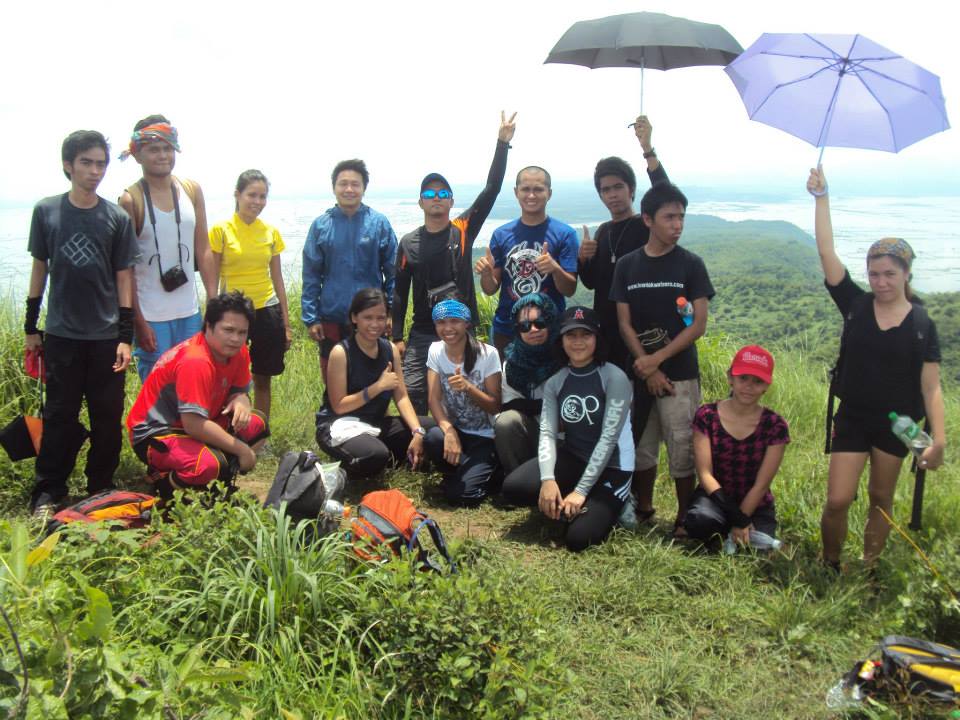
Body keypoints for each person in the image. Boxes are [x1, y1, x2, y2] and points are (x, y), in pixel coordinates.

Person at [808, 166, 946, 570]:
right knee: (837, 499)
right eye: (874, 273)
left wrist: (938, 439)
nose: (881, 281)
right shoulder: (855, 304)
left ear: (906, 274)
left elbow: (931, 387)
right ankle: (830, 563)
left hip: (898, 421)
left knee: (881, 499)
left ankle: (870, 566)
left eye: (890, 273)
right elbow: (826, 253)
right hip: (852, 416)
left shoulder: (922, 324)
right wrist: (822, 197)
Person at [25, 130, 139, 518]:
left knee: (107, 418)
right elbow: (40, 269)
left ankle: (100, 487)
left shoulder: (116, 218)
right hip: (60, 335)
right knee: (59, 415)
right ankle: (49, 490)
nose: (94, 171)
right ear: (68, 165)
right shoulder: (47, 212)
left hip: (106, 336)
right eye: (86, 163)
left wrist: (126, 337)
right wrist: (30, 326)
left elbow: (124, 277)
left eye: (100, 164)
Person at [393, 111, 517, 413]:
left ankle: (460, 444)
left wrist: (502, 143)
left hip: (462, 327)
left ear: (451, 201)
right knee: (415, 393)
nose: (437, 197)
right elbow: (399, 292)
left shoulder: (462, 229)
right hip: (423, 330)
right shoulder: (408, 243)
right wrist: (397, 336)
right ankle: (424, 446)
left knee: (465, 394)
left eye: (443, 193)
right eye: (430, 193)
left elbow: (491, 190)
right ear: (421, 201)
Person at [611, 181, 715, 536]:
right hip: (639, 373)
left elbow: (698, 324)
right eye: (669, 217)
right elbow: (623, 323)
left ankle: (685, 515)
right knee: (642, 443)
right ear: (648, 220)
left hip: (680, 373)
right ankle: (644, 506)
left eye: (681, 217)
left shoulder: (690, 265)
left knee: (682, 444)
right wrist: (645, 363)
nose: (677, 225)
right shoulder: (627, 266)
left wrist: (657, 360)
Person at [502, 306, 634, 552]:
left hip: (613, 467)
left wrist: (581, 491)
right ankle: (566, 497)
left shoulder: (614, 378)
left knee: (577, 539)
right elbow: (549, 434)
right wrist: (548, 480)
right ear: (560, 340)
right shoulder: (557, 381)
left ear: (597, 338)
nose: (578, 342)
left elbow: (608, 439)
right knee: (513, 489)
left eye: (586, 335)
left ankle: (618, 500)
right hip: (574, 456)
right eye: (571, 336)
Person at [126, 291, 269, 497]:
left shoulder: (238, 351)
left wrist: (241, 400)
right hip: (155, 433)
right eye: (228, 330)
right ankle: (164, 484)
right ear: (208, 326)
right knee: (210, 464)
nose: (235, 338)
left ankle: (218, 482)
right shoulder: (196, 361)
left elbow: (239, 391)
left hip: (198, 421)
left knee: (257, 424)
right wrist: (241, 450)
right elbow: (193, 425)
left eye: (242, 332)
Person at [119, 115, 217, 381]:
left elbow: (204, 249)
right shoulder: (130, 200)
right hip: (152, 317)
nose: (162, 155)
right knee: (158, 391)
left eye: (167, 148)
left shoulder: (191, 190)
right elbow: (125, 269)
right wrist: (137, 321)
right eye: (153, 149)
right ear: (137, 154)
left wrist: (213, 299)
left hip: (190, 312)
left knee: (193, 383)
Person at [578, 116, 668, 370]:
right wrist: (584, 258)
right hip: (607, 333)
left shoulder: (646, 225)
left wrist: (647, 149)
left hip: (643, 333)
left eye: (618, 187)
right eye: (606, 190)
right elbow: (592, 282)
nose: (613, 194)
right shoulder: (603, 232)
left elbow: (664, 195)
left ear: (631, 189)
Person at [315, 289, 431, 479]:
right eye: (368, 318)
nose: (375, 324)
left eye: (381, 318)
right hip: (337, 426)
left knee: (432, 429)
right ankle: (344, 470)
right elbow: (339, 405)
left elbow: (401, 397)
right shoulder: (341, 352)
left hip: (374, 423)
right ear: (354, 318)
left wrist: (417, 432)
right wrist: (378, 387)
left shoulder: (390, 349)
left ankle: (394, 458)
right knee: (376, 455)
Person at [683, 345, 790, 546]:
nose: (749, 386)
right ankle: (727, 532)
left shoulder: (775, 426)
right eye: (743, 378)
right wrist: (739, 519)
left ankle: (731, 534)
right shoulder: (707, 416)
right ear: (730, 378)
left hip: (756, 503)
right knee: (699, 521)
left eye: (757, 381)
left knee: (759, 549)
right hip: (715, 498)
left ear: (766, 386)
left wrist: (744, 516)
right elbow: (705, 474)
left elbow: (762, 484)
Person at [301, 159, 397, 382]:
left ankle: (374, 417)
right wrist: (311, 318)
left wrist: (391, 312)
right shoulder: (321, 226)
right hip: (332, 315)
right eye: (343, 184)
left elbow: (393, 272)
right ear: (334, 187)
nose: (349, 189)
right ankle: (335, 417)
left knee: (375, 376)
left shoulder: (379, 223)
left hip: (371, 317)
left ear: (364, 188)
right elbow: (311, 275)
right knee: (334, 376)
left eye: (355, 184)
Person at [209, 170, 291, 421]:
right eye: (251, 195)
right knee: (227, 376)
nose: (257, 202)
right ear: (237, 194)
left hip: (267, 309)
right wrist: (210, 320)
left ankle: (259, 431)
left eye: (262, 196)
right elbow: (212, 279)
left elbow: (278, 279)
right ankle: (227, 428)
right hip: (233, 312)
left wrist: (286, 323)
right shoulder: (220, 230)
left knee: (263, 377)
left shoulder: (270, 232)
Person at [475, 166, 577, 353]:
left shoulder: (565, 234)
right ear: (516, 192)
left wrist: (555, 269)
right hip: (507, 329)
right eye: (525, 189)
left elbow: (569, 289)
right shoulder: (501, 234)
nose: (531, 195)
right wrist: (486, 274)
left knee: (551, 382)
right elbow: (490, 289)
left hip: (548, 329)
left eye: (538, 189)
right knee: (507, 382)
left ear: (549, 193)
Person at [422, 299, 502, 506]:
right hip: (457, 430)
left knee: (463, 497)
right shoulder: (435, 350)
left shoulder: (488, 354)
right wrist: (448, 431)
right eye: (441, 322)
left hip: (485, 436)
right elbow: (433, 398)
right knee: (433, 437)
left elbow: (495, 406)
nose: (447, 328)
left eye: (454, 321)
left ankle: (485, 472)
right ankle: (463, 472)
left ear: (466, 324)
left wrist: (468, 387)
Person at [494, 293, 561, 475]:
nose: (532, 330)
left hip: (562, 438)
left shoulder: (566, 358)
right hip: (531, 434)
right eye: (524, 326)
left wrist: (530, 407)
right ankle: (516, 477)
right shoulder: (512, 363)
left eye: (540, 323)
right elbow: (510, 405)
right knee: (506, 421)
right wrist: (551, 405)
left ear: (551, 322)